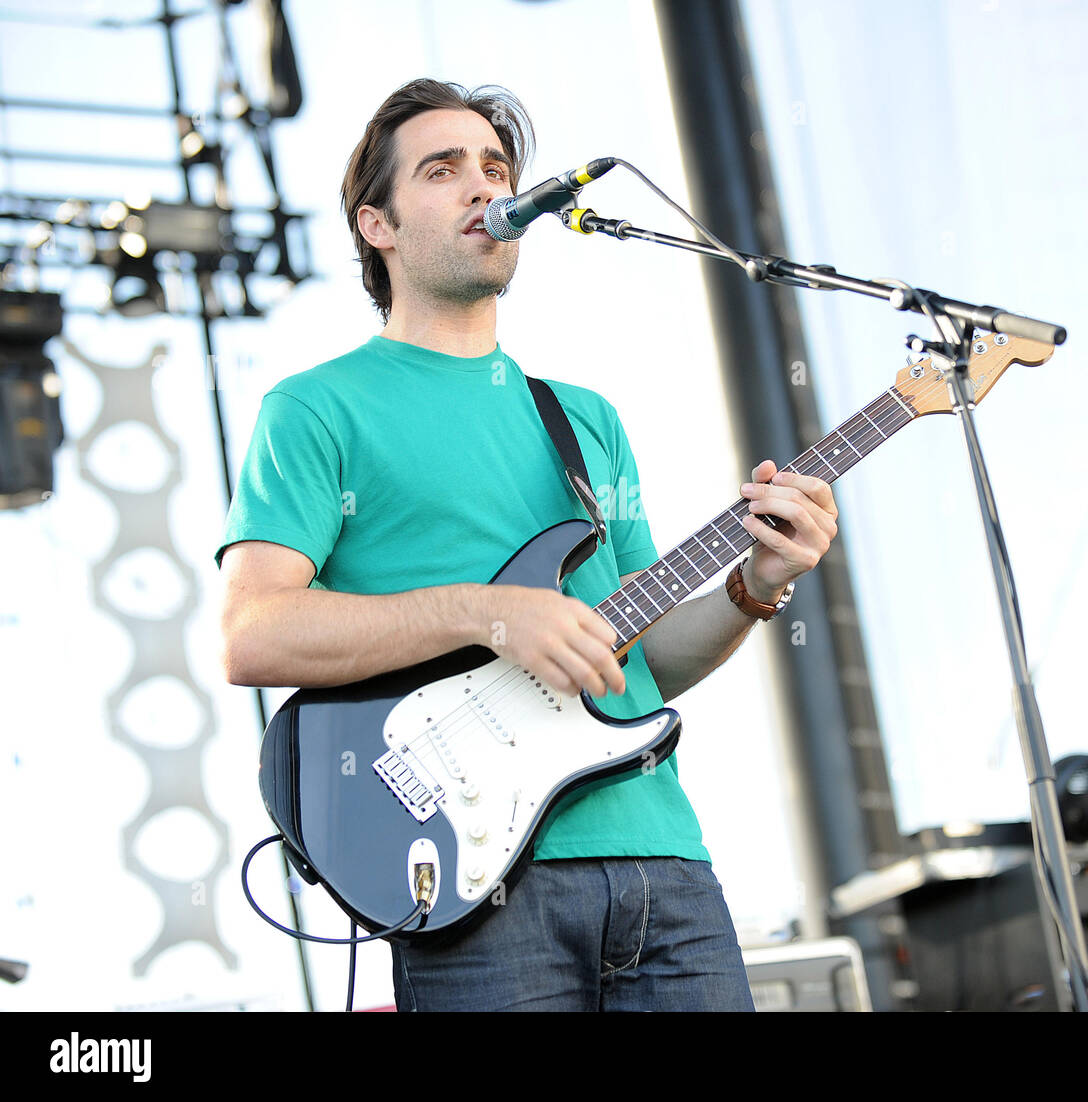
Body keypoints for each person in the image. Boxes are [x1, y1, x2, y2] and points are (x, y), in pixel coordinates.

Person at [217, 78, 839, 1012]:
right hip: (472, 880)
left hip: (665, 865)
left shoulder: (584, 420)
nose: (482, 186)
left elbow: (642, 660)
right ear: (377, 225)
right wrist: (488, 612)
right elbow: (254, 635)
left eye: (495, 168)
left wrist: (758, 583)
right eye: (443, 169)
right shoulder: (315, 408)